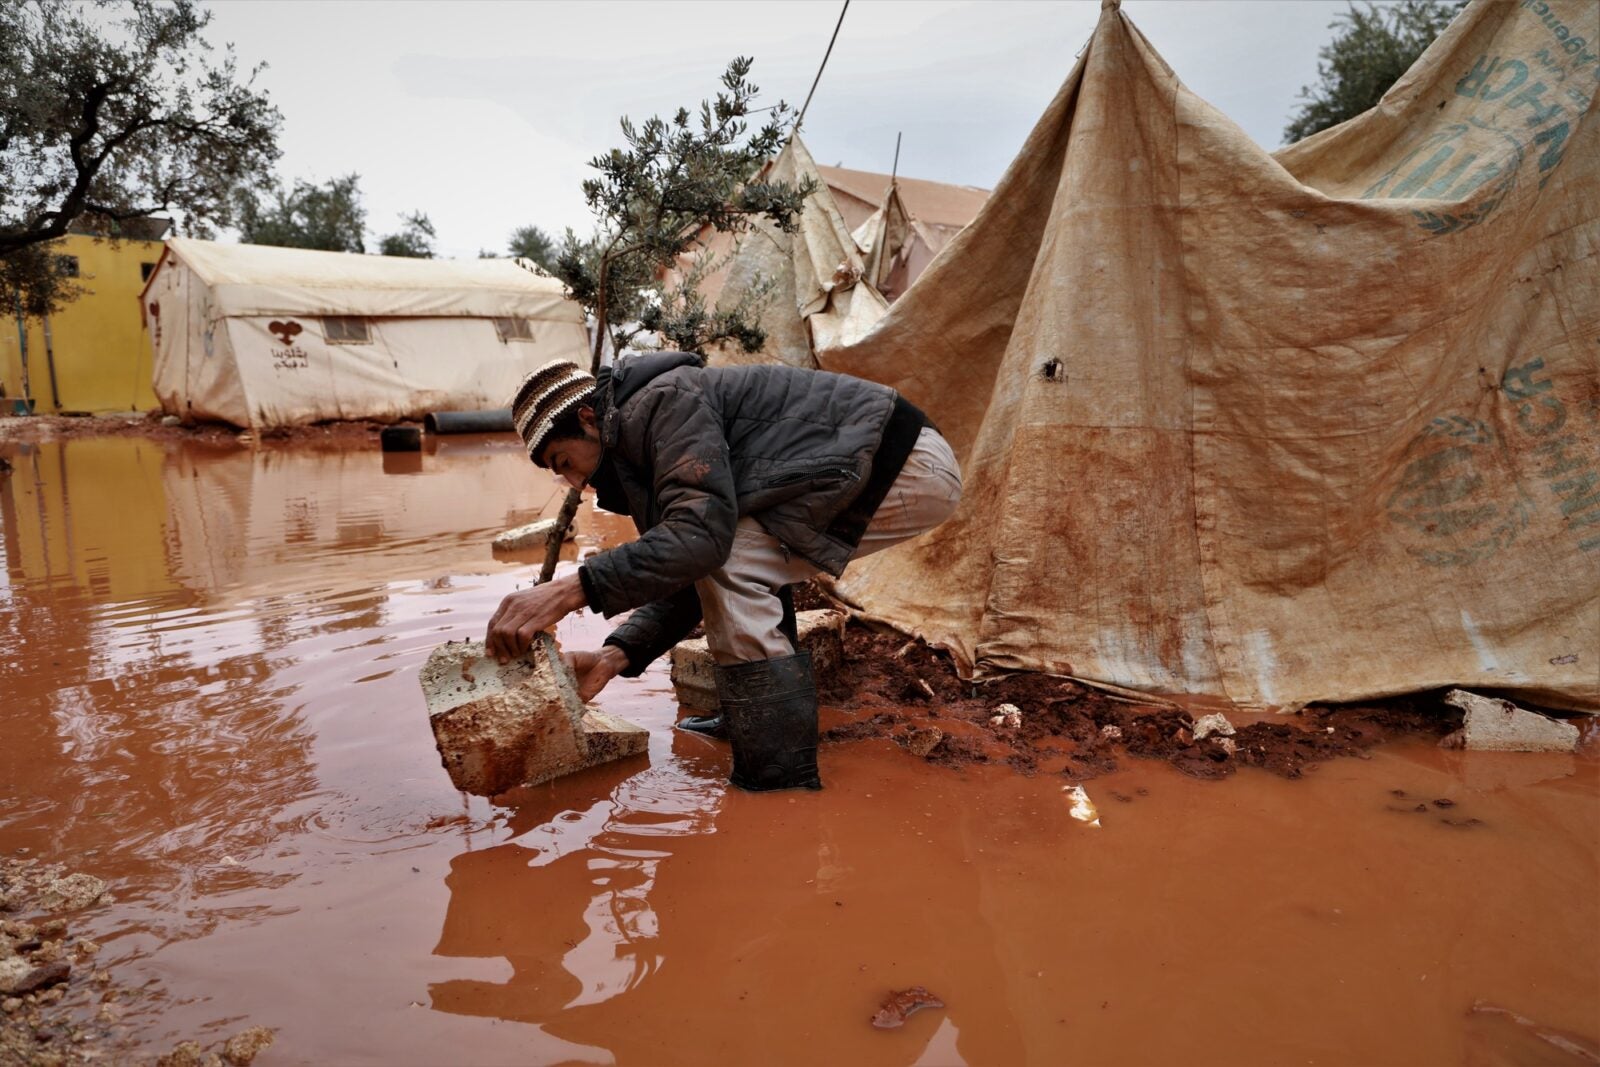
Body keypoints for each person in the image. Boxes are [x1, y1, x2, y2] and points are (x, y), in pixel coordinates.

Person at [486, 352, 962, 792]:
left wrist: (571, 590)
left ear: (588, 419)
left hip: (898, 462)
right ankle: (757, 721)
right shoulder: (636, 446)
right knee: (734, 555)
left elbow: (702, 544)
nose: (575, 482)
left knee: (731, 555)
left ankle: (777, 783)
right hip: (875, 463)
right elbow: (687, 571)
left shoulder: (662, 402)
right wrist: (614, 657)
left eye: (565, 462)